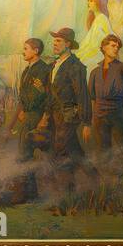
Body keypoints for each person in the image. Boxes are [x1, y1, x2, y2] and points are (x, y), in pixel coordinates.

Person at [45, 27, 90, 168]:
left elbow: (82, 95)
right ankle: (95, 179)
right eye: (54, 41)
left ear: (68, 44)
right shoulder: (54, 65)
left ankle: (66, 187)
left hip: (69, 115)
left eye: (59, 41)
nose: (55, 44)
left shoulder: (76, 66)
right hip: (55, 115)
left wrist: (87, 122)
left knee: (60, 151)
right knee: (74, 151)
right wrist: (46, 115)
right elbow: (50, 94)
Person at [12, 38, 51, 163]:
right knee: (23, 147)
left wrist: (43, 117)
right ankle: (27, 178)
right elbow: (24, 93)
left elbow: (43, 95)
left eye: (26, 49)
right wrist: (23, 109)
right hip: (27, 114)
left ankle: (27, 179)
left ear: (36, 51)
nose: (23, 52)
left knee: (25, 150)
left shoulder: (43, 69)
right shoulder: (26, 70)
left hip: (36, 115)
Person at [76, 0, 114, 68]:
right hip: (91, 53)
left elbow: (111, 36)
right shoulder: (96, 20)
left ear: (99, 3)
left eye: (91, 1)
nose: (88, 3)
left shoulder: (102, 18)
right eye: (88, 0)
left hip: (98, 55)